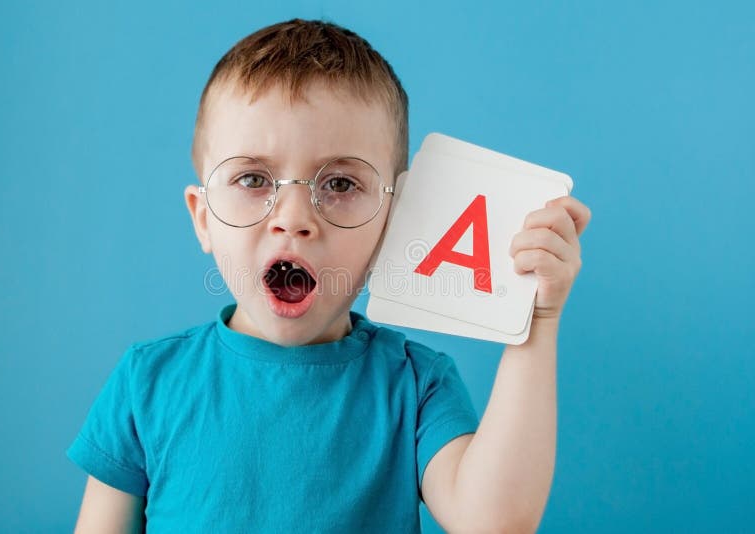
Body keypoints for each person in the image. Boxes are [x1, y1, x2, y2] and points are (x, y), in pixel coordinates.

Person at [67, 18, 591, 533]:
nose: (294, 218)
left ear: (395, 223)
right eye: (252, 178)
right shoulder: (147, 383)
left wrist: (535, 322)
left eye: (339, 184)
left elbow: (495, 523)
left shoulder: (415, 385)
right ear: (203, 218)